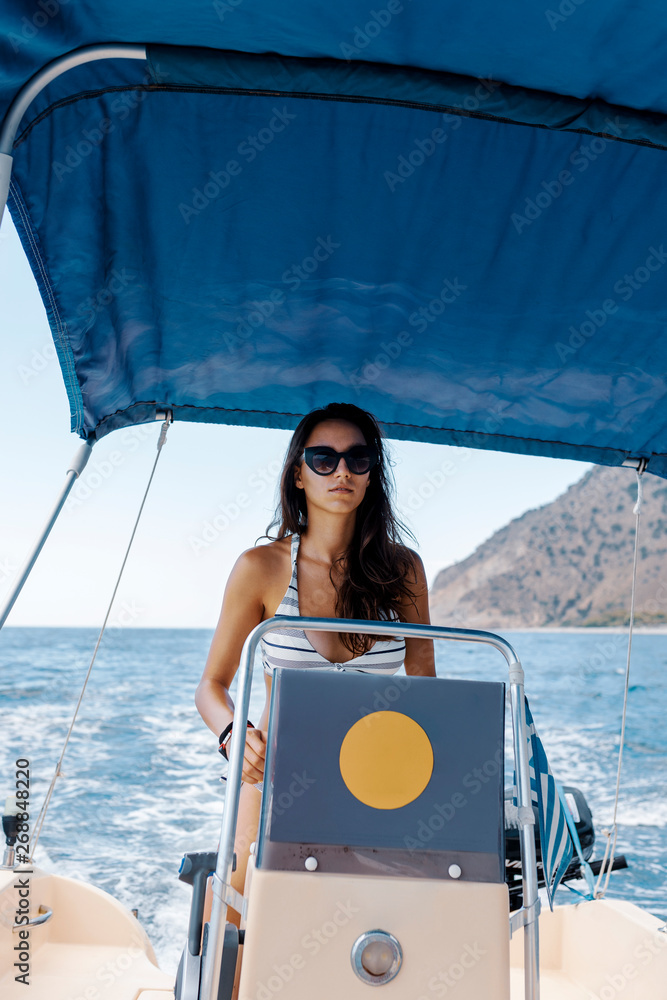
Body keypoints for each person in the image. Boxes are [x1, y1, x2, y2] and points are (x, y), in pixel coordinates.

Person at [195, 401, 436, 936]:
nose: (341, 471)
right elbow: (211, 685)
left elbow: (424, 681)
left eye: (357, 458)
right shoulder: (260, 568)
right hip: (276, 775)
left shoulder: (404, 571)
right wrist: (234, 735)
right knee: (237, 920)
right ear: (298, 474)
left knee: (364, 934)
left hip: (378, 776)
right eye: (323, 458)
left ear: (372, 474)